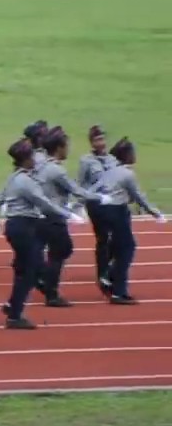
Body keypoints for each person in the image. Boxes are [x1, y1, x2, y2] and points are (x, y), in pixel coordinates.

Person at [0, 139, 81, 330]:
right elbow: (43, 202)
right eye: (32, 156)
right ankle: (14, 314)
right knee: (30, 271)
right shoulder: (26, 181)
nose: (36, 159)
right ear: (26, 159)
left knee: (25, 269)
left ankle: (13, 304)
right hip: (24, 226)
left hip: (16, 226)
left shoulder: (14, 178)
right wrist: (68, 214)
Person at [33, 126, 113, 307]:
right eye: (66, 146)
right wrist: (101, 197)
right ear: (59, 148)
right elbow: (77, 191)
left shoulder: (43, 164)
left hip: (43, 214)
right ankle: (49, 291)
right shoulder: (56, 170)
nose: (68, 149)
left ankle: (42, 280)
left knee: (59, 250)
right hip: (53, 217)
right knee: (60, 251)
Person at [88, 138, 165, 304]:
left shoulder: (110, 170)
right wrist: (156, 213)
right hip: (116, 211)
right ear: (127, 155)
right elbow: (139, 196)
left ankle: (109, 277)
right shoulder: (128, 174)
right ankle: (117, 289)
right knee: (126, 248)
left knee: (118, 246)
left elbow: (95, 188)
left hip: (102, 208)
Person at [77, 125, 120, 294]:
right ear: (91, 142)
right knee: (103, 237)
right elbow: (80, 183)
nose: (100, 142)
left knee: (115, 238)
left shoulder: (112, 160)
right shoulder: (86, 161)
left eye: (102, 138)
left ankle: (109, 268)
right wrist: (79, 205)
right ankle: (102, 274)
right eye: (97, 139)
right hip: (96, 204)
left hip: (113, 203)